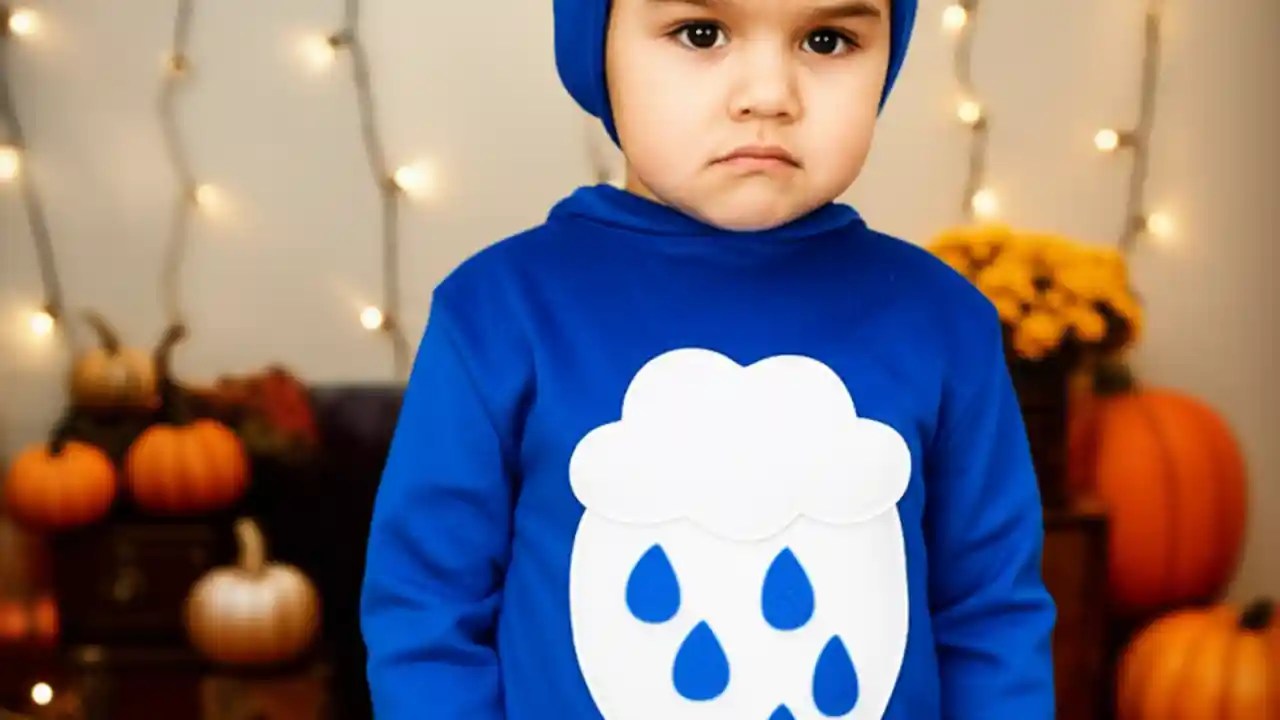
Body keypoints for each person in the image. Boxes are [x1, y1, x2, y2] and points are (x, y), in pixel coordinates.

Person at [360, 0, 1057, 717]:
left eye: (827, 39)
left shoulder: (945, 322)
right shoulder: (497, 313)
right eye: (701, 34)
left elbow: (990, 616)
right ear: (598, 49)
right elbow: (427, 613)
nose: (768, 96)